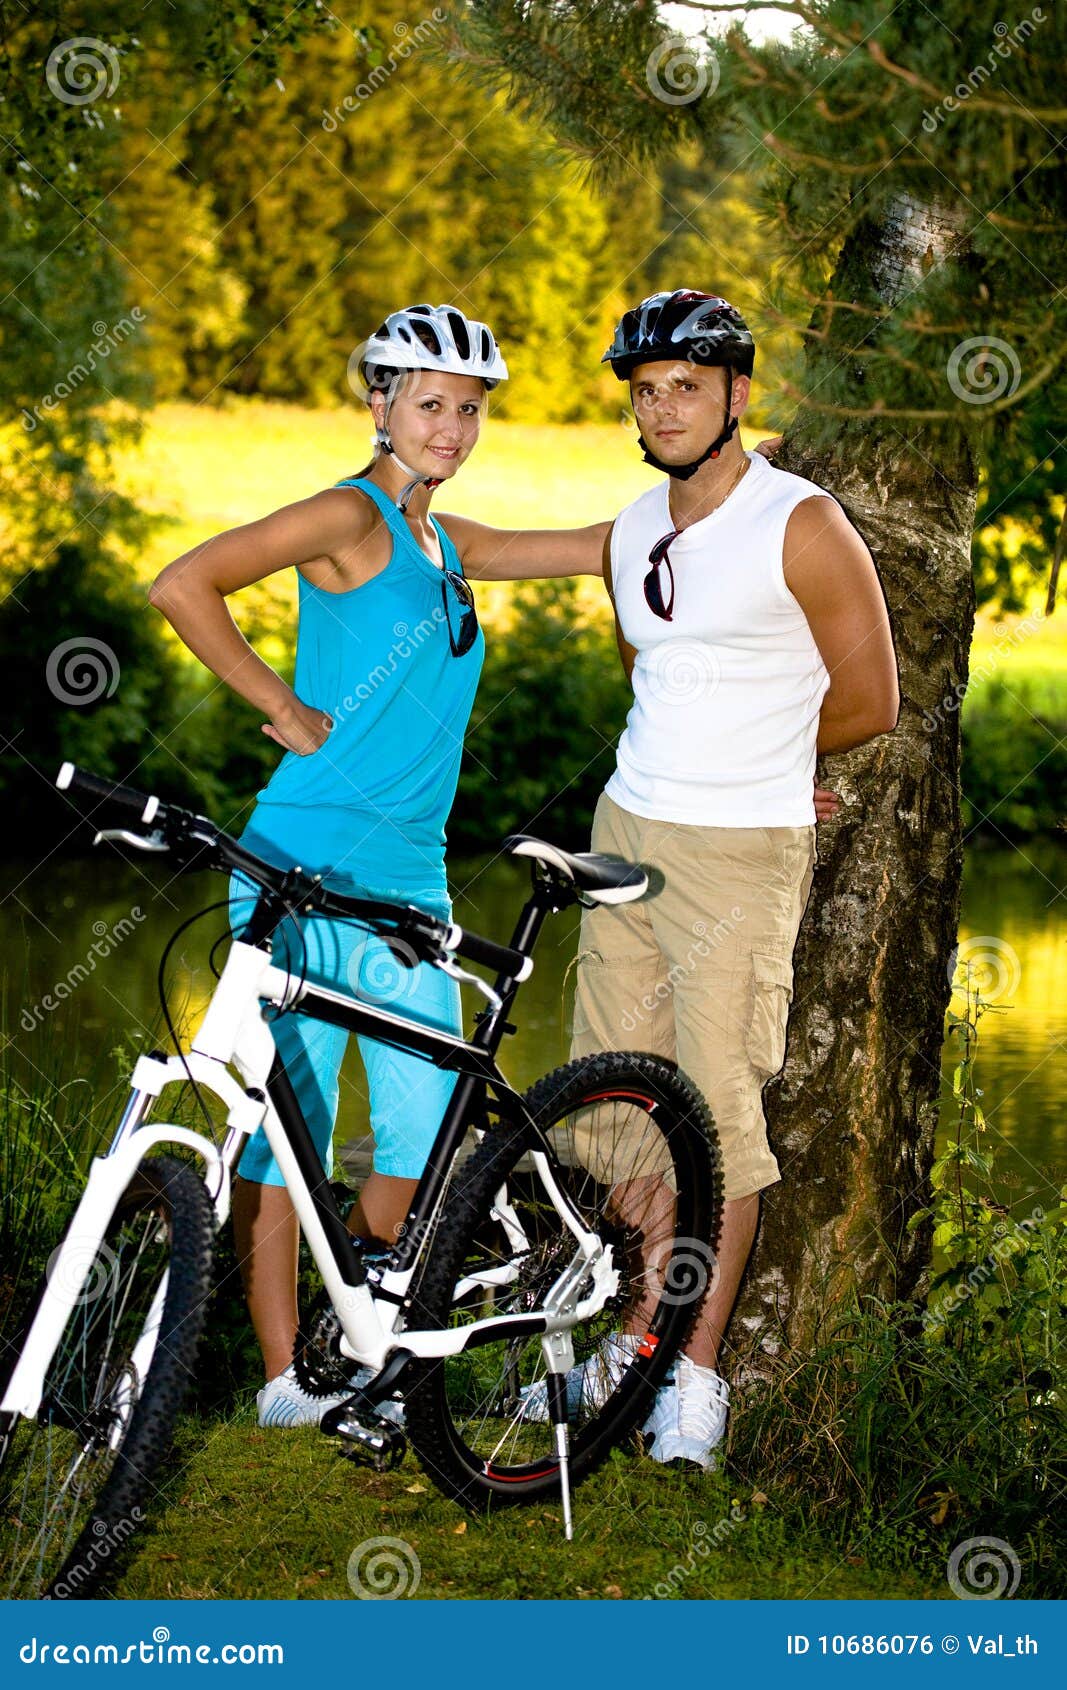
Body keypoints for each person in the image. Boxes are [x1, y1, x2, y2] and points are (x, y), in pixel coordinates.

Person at [440, 290, 898, 1473]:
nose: (663, 405)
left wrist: (774, 767)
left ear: (738, 394)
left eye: (686, 385)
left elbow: (871, 700)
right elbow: (564, 605)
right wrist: (397, 477)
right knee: (623, 1112)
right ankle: (635, 1339)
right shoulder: (637, 522)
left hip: (736, 855)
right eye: (645, 389)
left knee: (717, 1115)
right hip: (623, 832)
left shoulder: (801, 523)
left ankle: (694, 1378)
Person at [148, 304, 510, 1426]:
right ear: (381, 404)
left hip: (410, 882)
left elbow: (598, 546)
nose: (450, 426)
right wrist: (281, 706)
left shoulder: (449, 544)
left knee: (423, 1122)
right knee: (282, 1121)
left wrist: (726, 492)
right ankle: (278, 1383)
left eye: (468, 408)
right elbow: (182, 583)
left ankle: (345, 1335)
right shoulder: (351, 515)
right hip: (301, 862)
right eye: (430, 403)